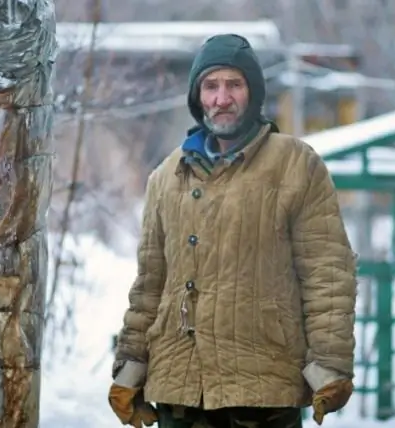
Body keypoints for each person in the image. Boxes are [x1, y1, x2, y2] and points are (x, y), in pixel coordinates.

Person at [108, 33, 358, 428]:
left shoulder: (295, 165)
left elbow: (327, 272)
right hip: (179, 389)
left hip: (262, 390)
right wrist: (130, 366)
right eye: (211, 86)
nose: (221, 98)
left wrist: (329, 364)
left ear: (252, 92)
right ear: (197, 96)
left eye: (233, 84)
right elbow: (150, 285)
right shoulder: (165, 177)